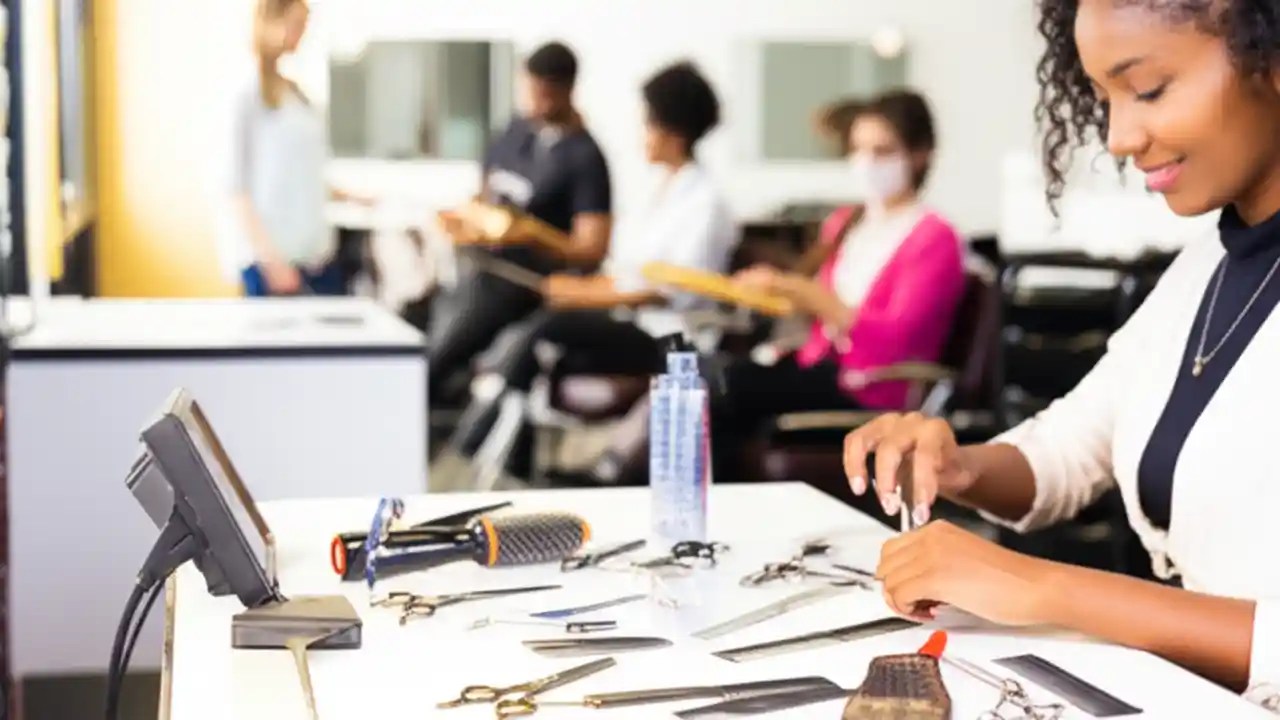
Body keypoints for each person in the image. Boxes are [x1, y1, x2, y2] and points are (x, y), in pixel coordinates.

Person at [846, 0, 1280, 709]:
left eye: (1147, 90)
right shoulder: (1207, 266)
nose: (1116, 136)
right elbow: (1068, 449)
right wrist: (958, 467)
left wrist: (1042, 586)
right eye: (1101, 97)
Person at [442, 61, 735, 482]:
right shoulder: (655, 192)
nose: (642, 136)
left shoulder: (704, 203)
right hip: (629, 323)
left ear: (672, 132)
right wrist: (579, 288)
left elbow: (670, 290)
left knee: (544, 330)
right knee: (535, 338)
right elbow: (626, 271)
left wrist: (585, 295)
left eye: (646, 125)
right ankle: (514, 462)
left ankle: (474, 447)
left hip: (669, 336)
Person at [716, 90, 966, 477]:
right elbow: (816, 319)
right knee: (709, 380)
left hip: (871, 388)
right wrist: (777, 293)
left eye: (882, 151)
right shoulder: (846, 223)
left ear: (920, 154)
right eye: (858, 150)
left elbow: (898, 340)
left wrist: (810, 295)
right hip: (822, 371)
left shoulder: (933, 238)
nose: (866, 164)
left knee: (723, 384)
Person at [429, 42, 613, 402]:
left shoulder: (584, 158)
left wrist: (533, 236)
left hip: (523, 284)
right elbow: (484, 194)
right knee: (422, 330)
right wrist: (469, 220)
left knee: (441, 354)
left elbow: (592, 249)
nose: (533, 103)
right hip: (481, 265)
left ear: (565, 90)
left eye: (542, 95)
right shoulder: (516, 132)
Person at [222, 0, 368, 297]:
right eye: (297, 24)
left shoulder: (297, 94)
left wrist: (357, 197)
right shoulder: (247, 95)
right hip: (273, 267)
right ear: (273, 23)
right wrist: (272, 263)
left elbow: (301, 176)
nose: (302, 34)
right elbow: (236, 189)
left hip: (316, 260)